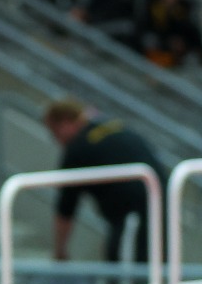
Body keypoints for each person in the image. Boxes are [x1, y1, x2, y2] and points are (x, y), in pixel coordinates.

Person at [43, 98, 166, 265]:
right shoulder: (109, 127)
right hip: (158, 205)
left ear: (65, 123)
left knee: (128, 275)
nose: (56, 140)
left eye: (54, 132)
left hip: (135, 213)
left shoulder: (78, 148)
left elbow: (65, 209)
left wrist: (59, 252)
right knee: (147, 270)